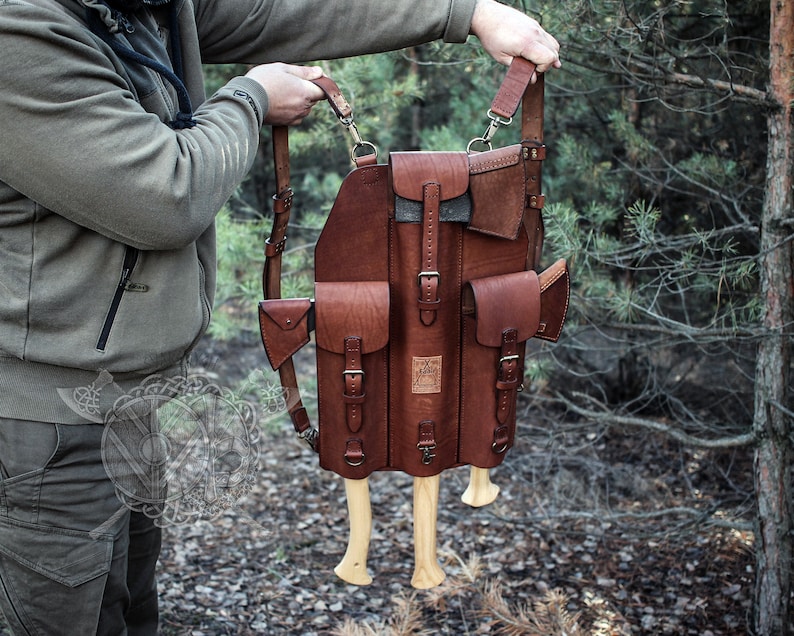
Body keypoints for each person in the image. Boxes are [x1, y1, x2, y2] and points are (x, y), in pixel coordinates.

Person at [0, 0, 560, 633]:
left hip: (120, 398)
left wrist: (465, 13)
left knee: (126, 613)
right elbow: (164, 193)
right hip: (40, 421)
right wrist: (251, 98)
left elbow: (275, 9)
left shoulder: (137, 5)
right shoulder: (18, 33)